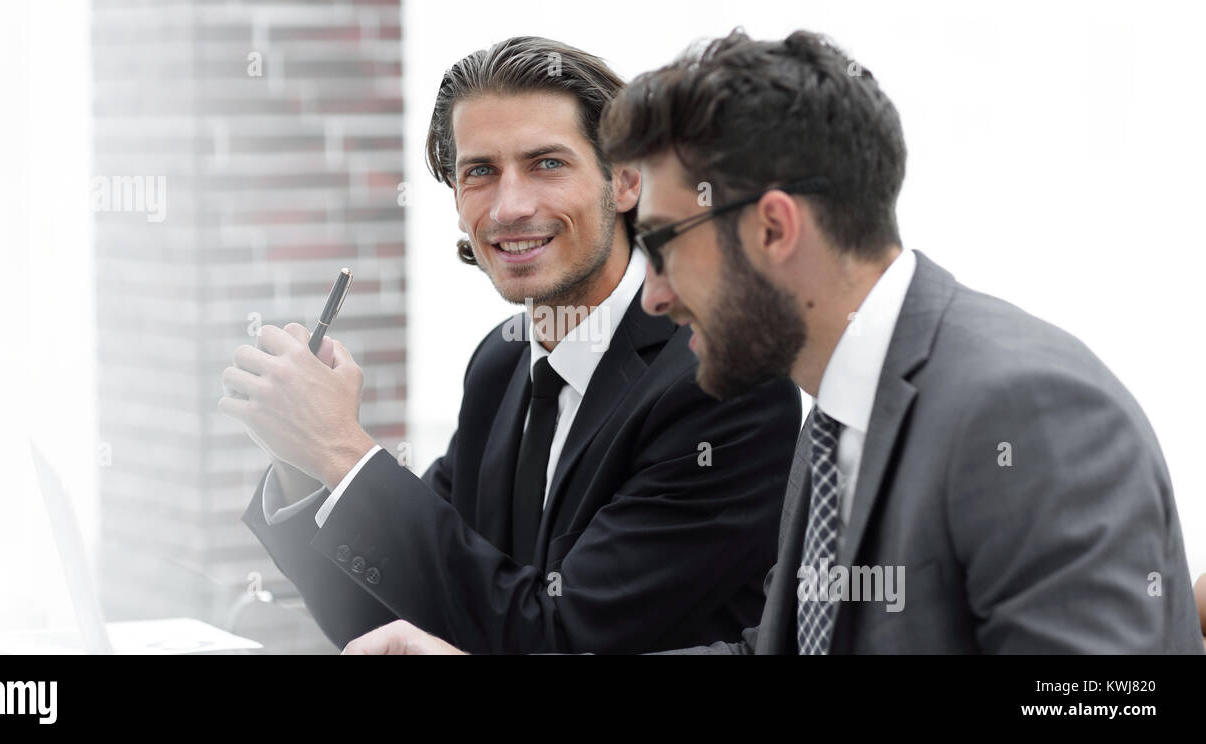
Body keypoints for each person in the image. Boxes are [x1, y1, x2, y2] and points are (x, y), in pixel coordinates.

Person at [341, 28, 1203, 654]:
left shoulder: (1022, 407)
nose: (658, 293)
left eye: (668, 241)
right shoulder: (838, 412)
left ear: (775, 229)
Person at [218, 36, 802, 653]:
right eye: (480, 172)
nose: (510, 207)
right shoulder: (501, 363)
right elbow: (393, 617)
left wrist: (339, 448)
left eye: (547, 163)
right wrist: (302, 457)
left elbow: (559, 637)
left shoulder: (723, 383)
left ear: (627, 179)